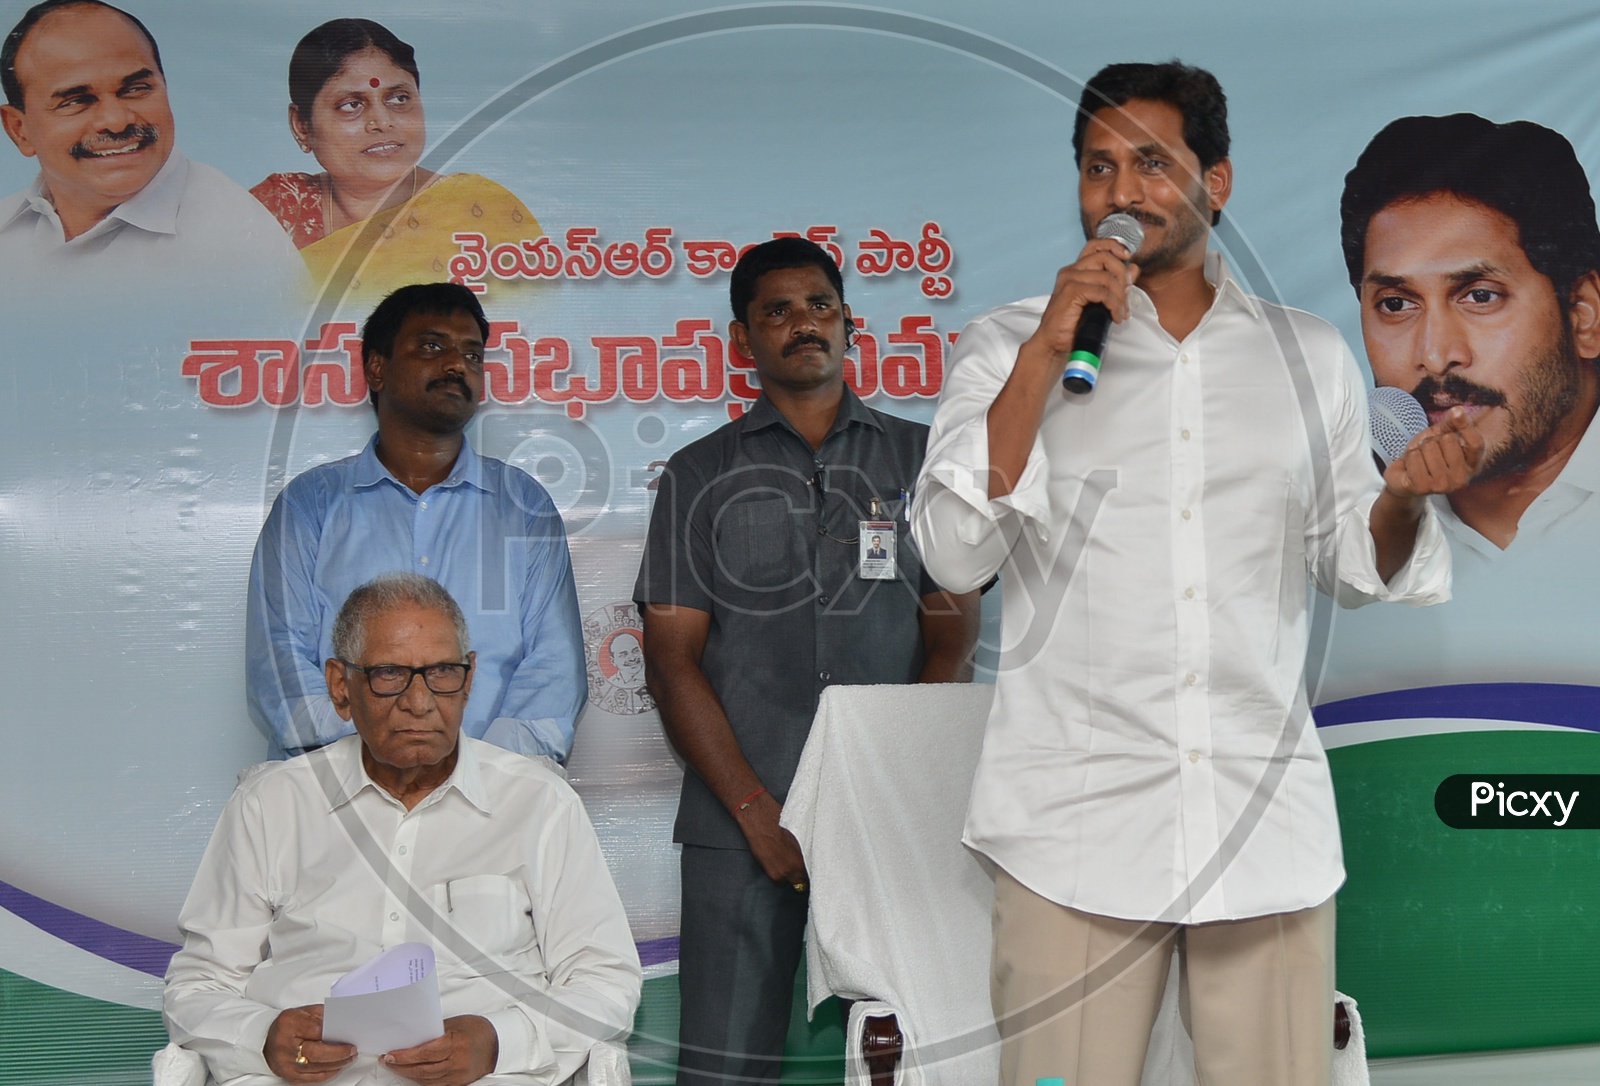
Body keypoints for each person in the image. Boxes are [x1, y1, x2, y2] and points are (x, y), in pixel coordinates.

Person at [910, 62, 1481, 1086]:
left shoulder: (1305, 357)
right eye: (1096, 167)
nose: (1120, 192)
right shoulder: (1005, 345)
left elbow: (1355, 565)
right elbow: (955, 551)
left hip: (1258, 823)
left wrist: (1400, 500)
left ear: (1216, 183)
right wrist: (1046, 351)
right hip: (1070, 832)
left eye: (1151, 164)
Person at [634, 236, 981, 1085]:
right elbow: (671, 662)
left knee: (920, 1057)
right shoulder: (697, 473)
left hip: (894, 822)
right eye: (777, 311)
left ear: (850, 324)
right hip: (737, 823)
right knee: (724, 1068)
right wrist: (758, 811)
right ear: (740, 340)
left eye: (819, 305)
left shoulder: (922, 459)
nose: (803, 324)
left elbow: (953, 631)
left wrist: (890, 784)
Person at [165, 573, 641, 1086]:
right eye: (390, 674)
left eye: (441, 672)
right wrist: (262, 1037)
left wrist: (499, 1042)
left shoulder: (538, 804)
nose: (420, 702)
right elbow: (199, 984)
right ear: (339, 687)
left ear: (469, 677)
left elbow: (604, 983)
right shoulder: (271, 805)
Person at [1318, 113, 1600, 700]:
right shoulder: (1324, 532)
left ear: (1584, 315)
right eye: (1396, 304)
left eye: (1479, 296)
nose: (1435, 355)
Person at [247, 282, 586, 762]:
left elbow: (556, 670)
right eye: (432, 346)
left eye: (472, 355)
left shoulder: (522, 505)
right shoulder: (311, 505)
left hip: (492, 805)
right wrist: (380, 768)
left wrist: (471, 781)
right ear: (377, 368)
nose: (456, 365)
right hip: (338, 804)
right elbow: (278, 666)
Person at [0, 0, 303, 294]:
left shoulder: (236, 242)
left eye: (135, 90)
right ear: (19, 130)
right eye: (77, 101)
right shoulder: (7, 228)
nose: (116, 122)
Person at [251, 17, 540, 299]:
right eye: (351, 105)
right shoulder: (282, 207)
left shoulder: (480, 209)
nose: (382, 121)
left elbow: (533, 315)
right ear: (301, 125)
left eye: (399, 99)